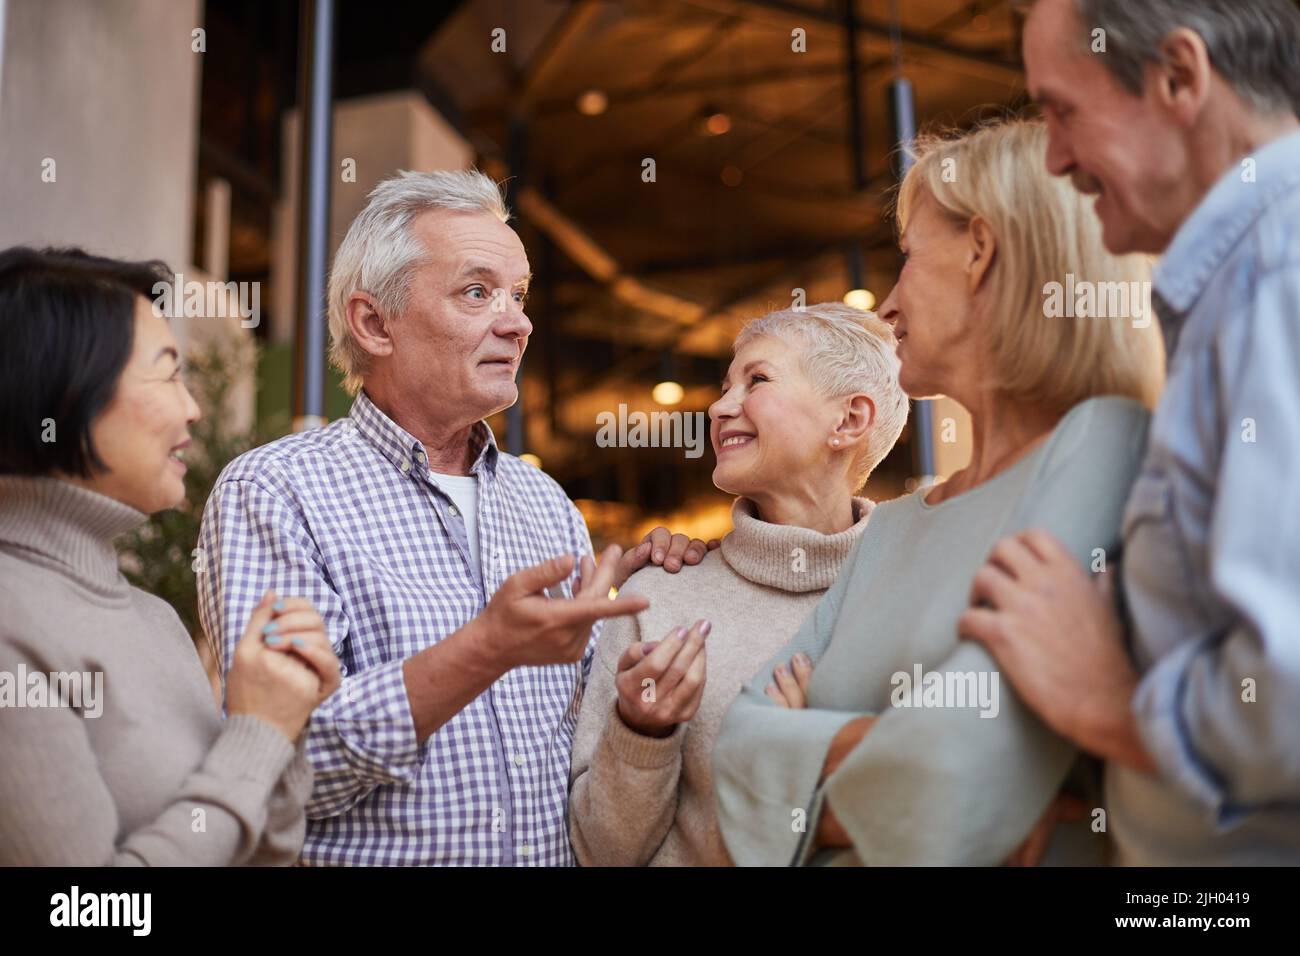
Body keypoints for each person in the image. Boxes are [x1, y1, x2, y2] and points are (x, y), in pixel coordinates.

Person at [197, 169, 715, 866]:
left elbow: (583, 749)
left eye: (519, 294)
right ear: (374, 323)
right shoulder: (278, 491)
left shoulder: (546, 505)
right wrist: (484, 650)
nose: (518, 320)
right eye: (478, 292)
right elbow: (281, 766)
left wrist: (648, 651)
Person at [711, 118, 1165, 866]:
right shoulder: (890, 528)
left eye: (909, 259)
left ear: (980, 252)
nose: (885, 309)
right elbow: (738, 742)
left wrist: (801, 768)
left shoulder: (1100, 445)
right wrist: (889, 752)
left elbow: (956, 768)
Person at [962, 0, 1300, 865]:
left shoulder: (1274, 277)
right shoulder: (1234, 287)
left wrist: (1110, 703)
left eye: (1062, 111)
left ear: (1180, 77)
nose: (1056, 157)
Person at [0, 246, 338, 865]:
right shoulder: (12, 622)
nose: (194, 408)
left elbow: (260, 852)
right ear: (64, 391)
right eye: (167, 372)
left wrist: (284, 726)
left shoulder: (154, 620)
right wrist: (258, 736)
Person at [568, 303, 907, 866]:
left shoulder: (925, 597)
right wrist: (640, 734)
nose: (721, 407)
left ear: (848, 421)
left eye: (757, 380)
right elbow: (596, 853)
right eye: (725, 386)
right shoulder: (660, 599)